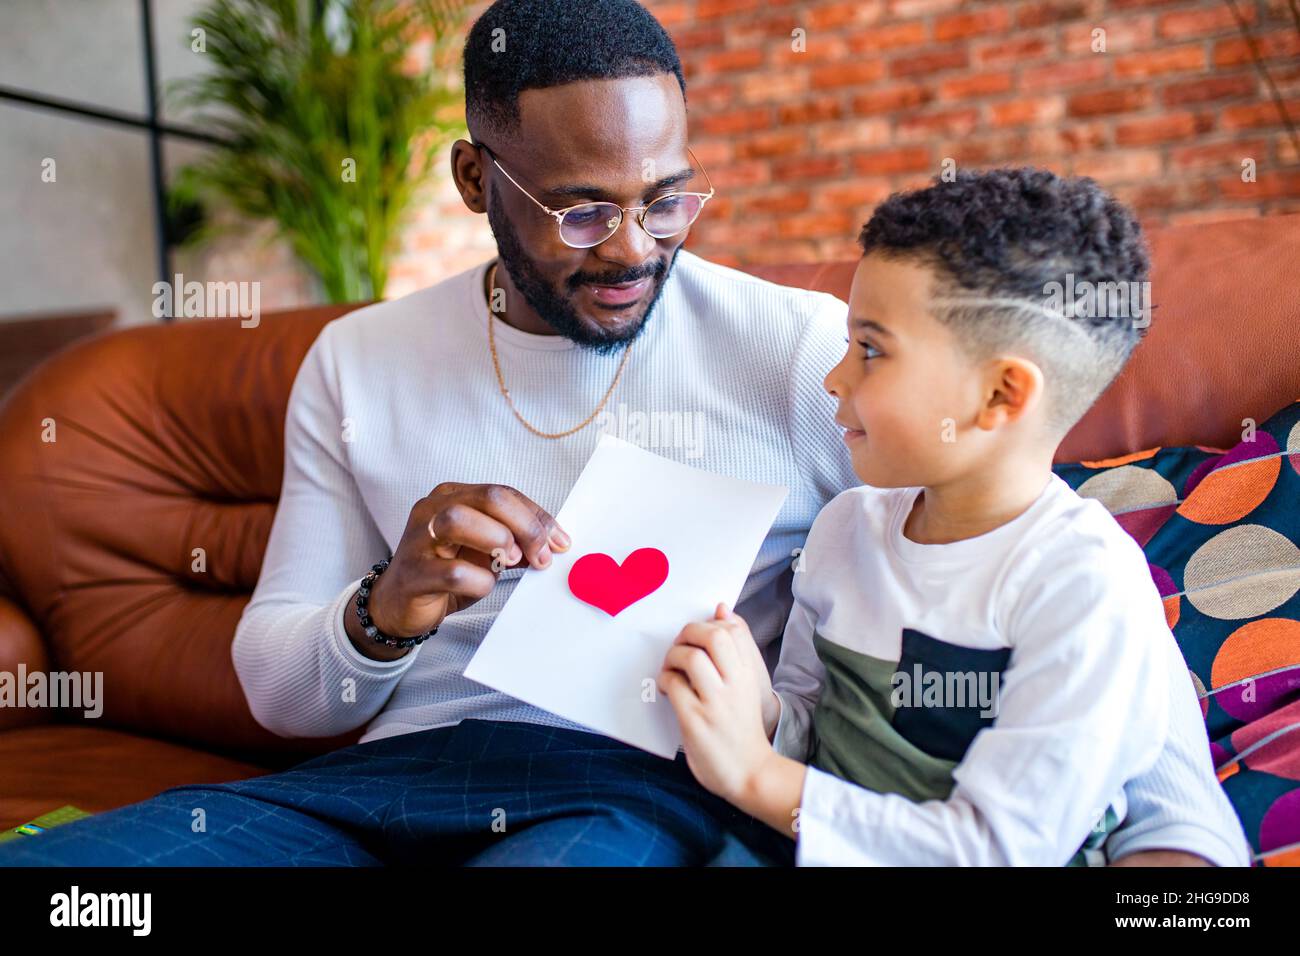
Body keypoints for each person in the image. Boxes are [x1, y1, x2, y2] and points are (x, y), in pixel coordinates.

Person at [0, 1, 1226, 867]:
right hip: (373, 784)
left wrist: (1179, 844)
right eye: (583, 211)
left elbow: (1056, 578)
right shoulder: (355, 363)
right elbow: (278, 691)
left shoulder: (816, 352)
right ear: (476, 182)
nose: (636, 246)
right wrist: (390, 603)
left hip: (629, 785)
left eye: (665, 196)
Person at [657, 168, 1252, 866]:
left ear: (1000, 394)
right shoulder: (844, 530)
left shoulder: (1082, 584)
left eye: (871, 350)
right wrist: (758, 714)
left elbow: (995, 848)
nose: (834, 378)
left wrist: (755, 777)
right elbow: (813, 735)